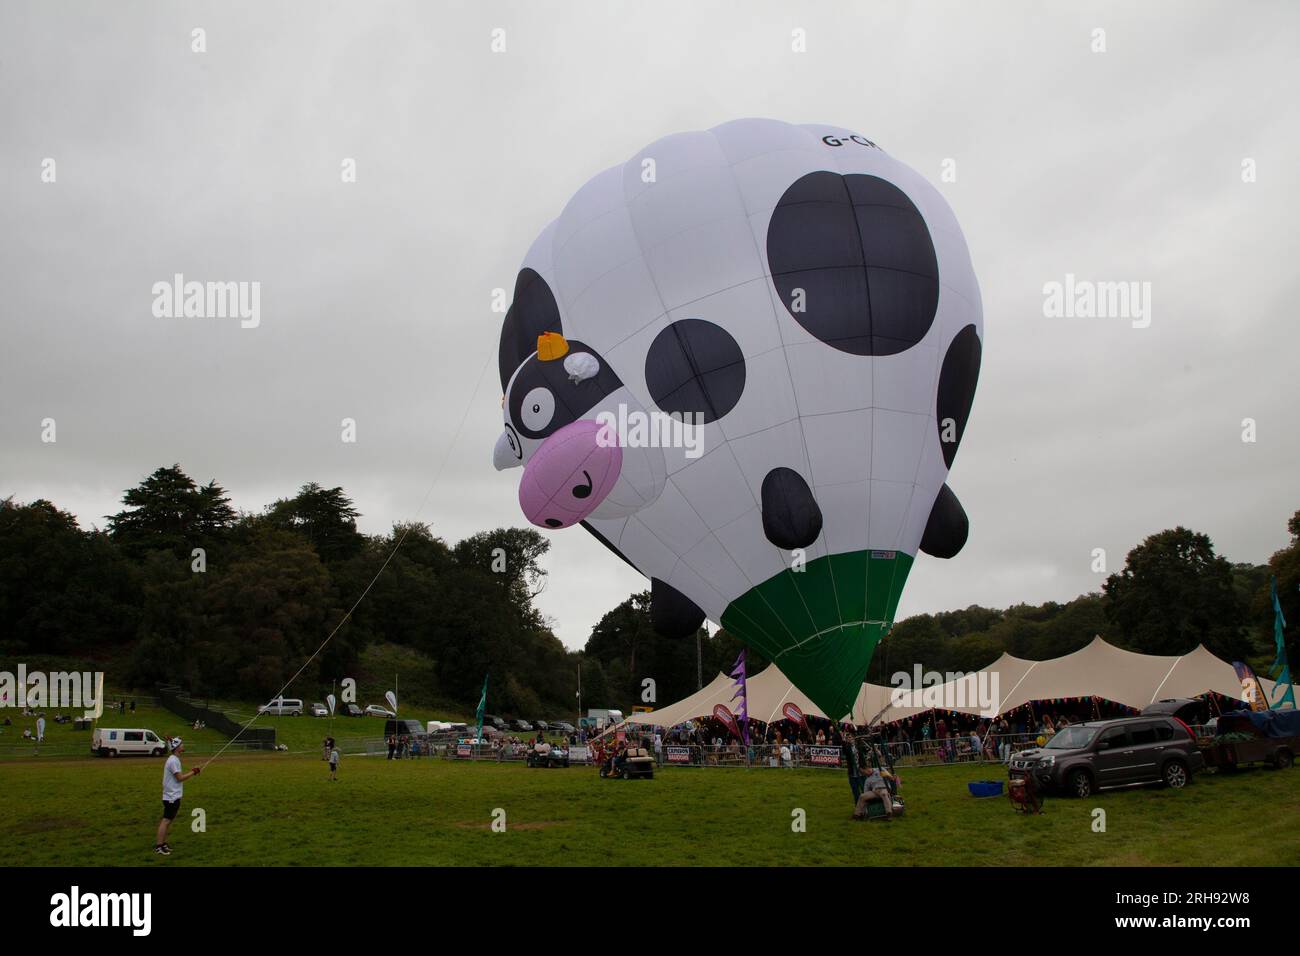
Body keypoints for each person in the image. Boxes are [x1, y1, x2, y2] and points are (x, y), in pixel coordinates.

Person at [155, 737, 201, 856]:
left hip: (173, 796)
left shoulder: (174, 759)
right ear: (177, 747)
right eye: (181, 744)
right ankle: (159, 846)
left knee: (168, 821)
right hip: (171, 796)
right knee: (166, 821)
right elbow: (179, 778)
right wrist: (194, 772)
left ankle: (163, 844)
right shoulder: (173, 761)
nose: (183, 745)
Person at [841, 728, 864, 806]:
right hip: (852, 774)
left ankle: (866, 807)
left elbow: (861, 748)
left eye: (850, 737)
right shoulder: (847, 747)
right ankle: (858, 809)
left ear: (854, 738)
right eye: (848, 738)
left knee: (864, 790)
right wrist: (844, 740)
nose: (849, 739)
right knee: (856, 792)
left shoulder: (858, 745)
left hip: (861, 772)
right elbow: (845, 750)